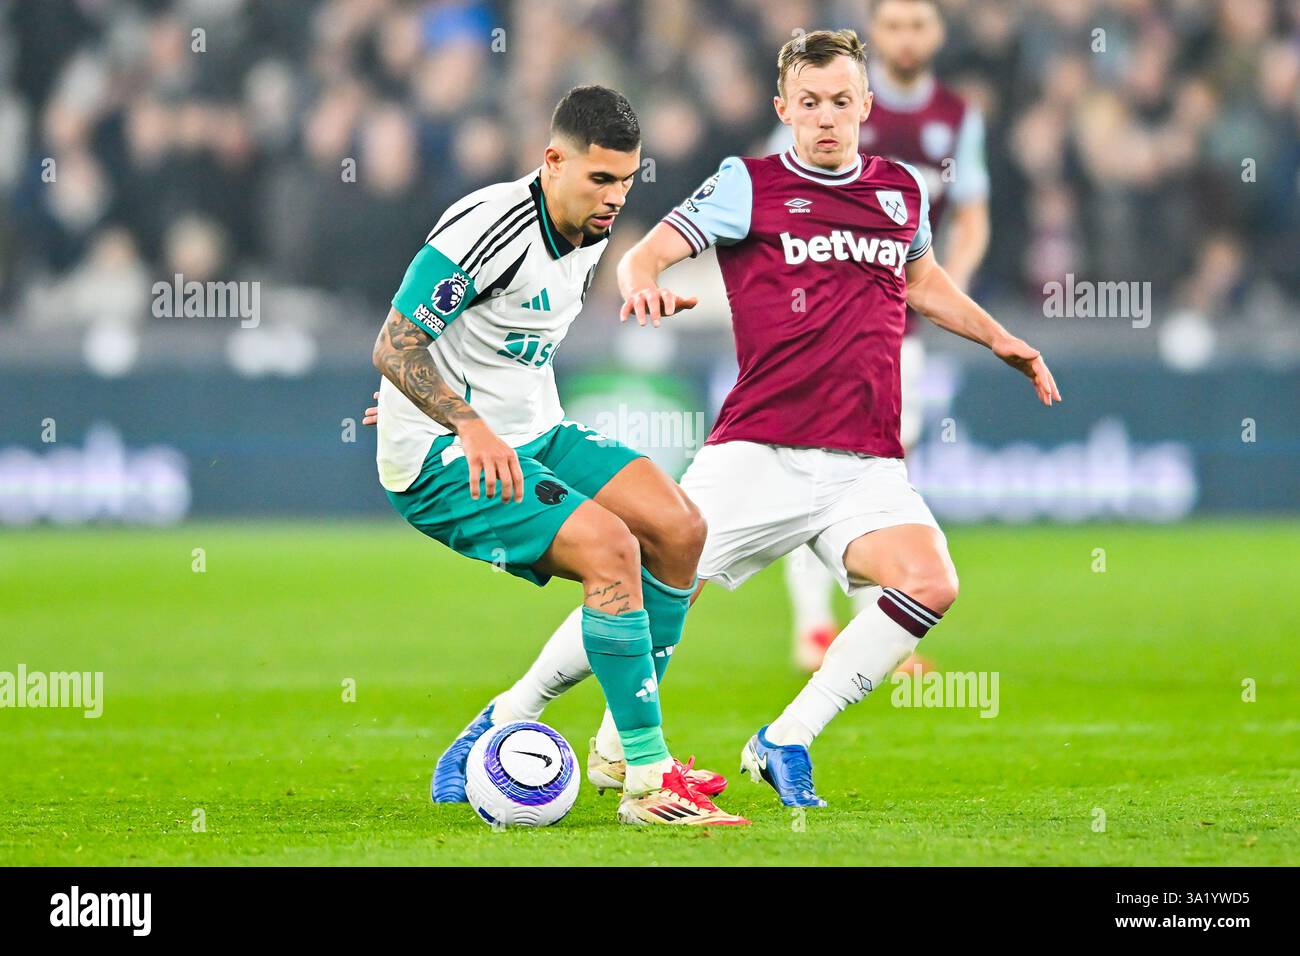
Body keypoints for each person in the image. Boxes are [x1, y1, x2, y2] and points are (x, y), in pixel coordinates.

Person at [371, 84, 744, 826]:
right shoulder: (488, 227)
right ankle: (648, 782)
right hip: (445, 458)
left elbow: (477, 338)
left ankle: (617, 749)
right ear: (552, 161)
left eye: (626, 180)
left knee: (680, 530)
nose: (615, 197)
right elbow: (395, 344)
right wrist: (461, 421)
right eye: (600, 178)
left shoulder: (593, 228)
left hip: (534, 429)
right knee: (610, 550)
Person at [775, 0, 993, 671]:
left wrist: (945, 287)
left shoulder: (956, 117)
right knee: (814, 467)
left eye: (917, 24)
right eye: (894, 25)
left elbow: (972, 216)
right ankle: (817, 628)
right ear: (876, 33)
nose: (906, 37)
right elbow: (774, 192)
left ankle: (874, 632)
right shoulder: (829, 101)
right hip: (820, 322)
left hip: (900, 328)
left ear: (937, 33)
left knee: (883, 472)